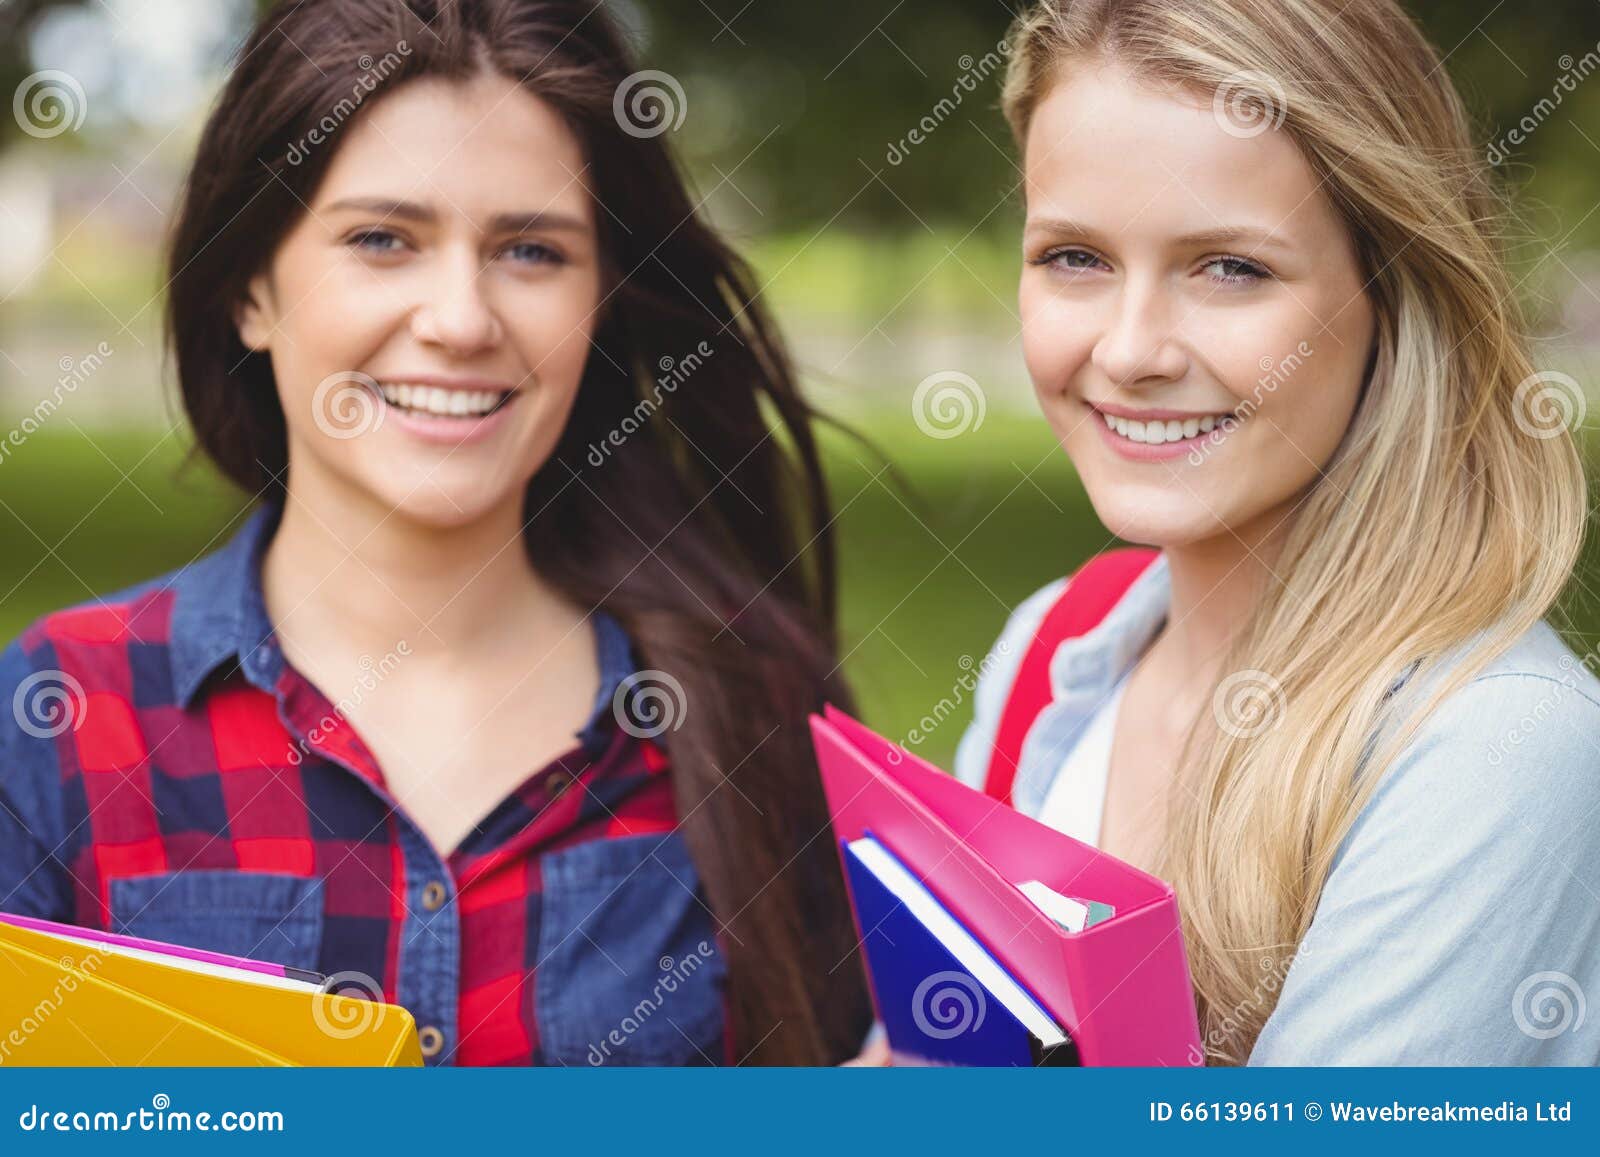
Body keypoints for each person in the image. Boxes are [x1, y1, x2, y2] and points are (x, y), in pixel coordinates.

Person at [0, 0, 871, 1067]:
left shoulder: (752, 704)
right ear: (250, 289)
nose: (461, 319)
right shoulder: (59, 718)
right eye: (382, 239)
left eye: (532, 250)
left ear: (600, 299)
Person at [874, 0, 1600, 1066]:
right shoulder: (1054, 650)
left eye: (1230, 267)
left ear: (1395, 295)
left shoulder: (1487, 743)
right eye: (1074, 257)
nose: (1129, 351)